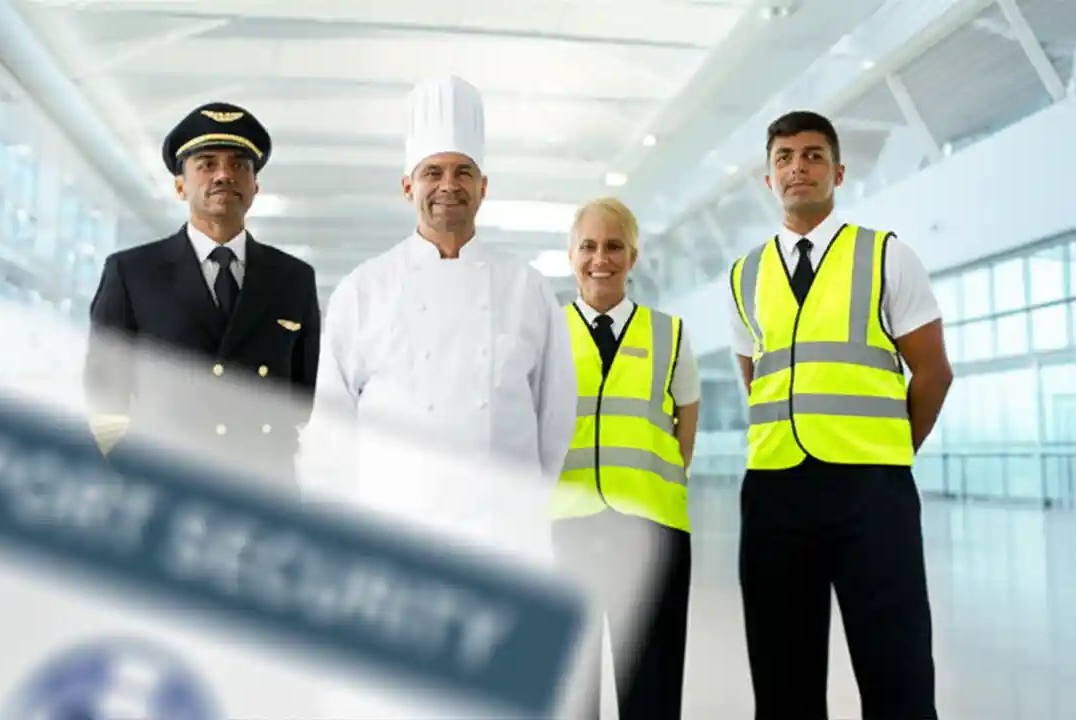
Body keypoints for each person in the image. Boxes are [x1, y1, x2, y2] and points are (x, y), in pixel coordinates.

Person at [728, 110, 953, 719]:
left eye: (813, 155)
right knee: (782, 675)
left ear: (838, 172)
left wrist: (889, 451)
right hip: (774, 492)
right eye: (783, 158)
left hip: (871, 492)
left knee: (896, 670)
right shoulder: (744, 275)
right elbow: (756, 376)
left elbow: (934, 372)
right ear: (768, 178)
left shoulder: (886, 256)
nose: (797, 167)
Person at [300, 74, 576, 504]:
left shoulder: (528, 289)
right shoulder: (362, 291)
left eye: (463, 172)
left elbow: (556, 420)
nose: (449, 185)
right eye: (433, 172)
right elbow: (332, 429)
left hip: (502, 522)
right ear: (407, 187)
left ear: (483, 187)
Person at [85, 102, 320, 485]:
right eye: (207, 164)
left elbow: (302, 397)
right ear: (181, 186)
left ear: (255, 187)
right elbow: (104, 389)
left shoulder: (293, 278)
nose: (224, 174)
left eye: (239, 165)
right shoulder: (132, 272)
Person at [550, 197, 699, 719]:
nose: (600, 259)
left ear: (633, 256)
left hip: (651, 532)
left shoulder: (669, 334)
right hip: (564, 530)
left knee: (652, 685)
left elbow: (686, 419)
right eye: (588, 246)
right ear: (571, 255)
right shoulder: (547, 334)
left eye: (614, 246)